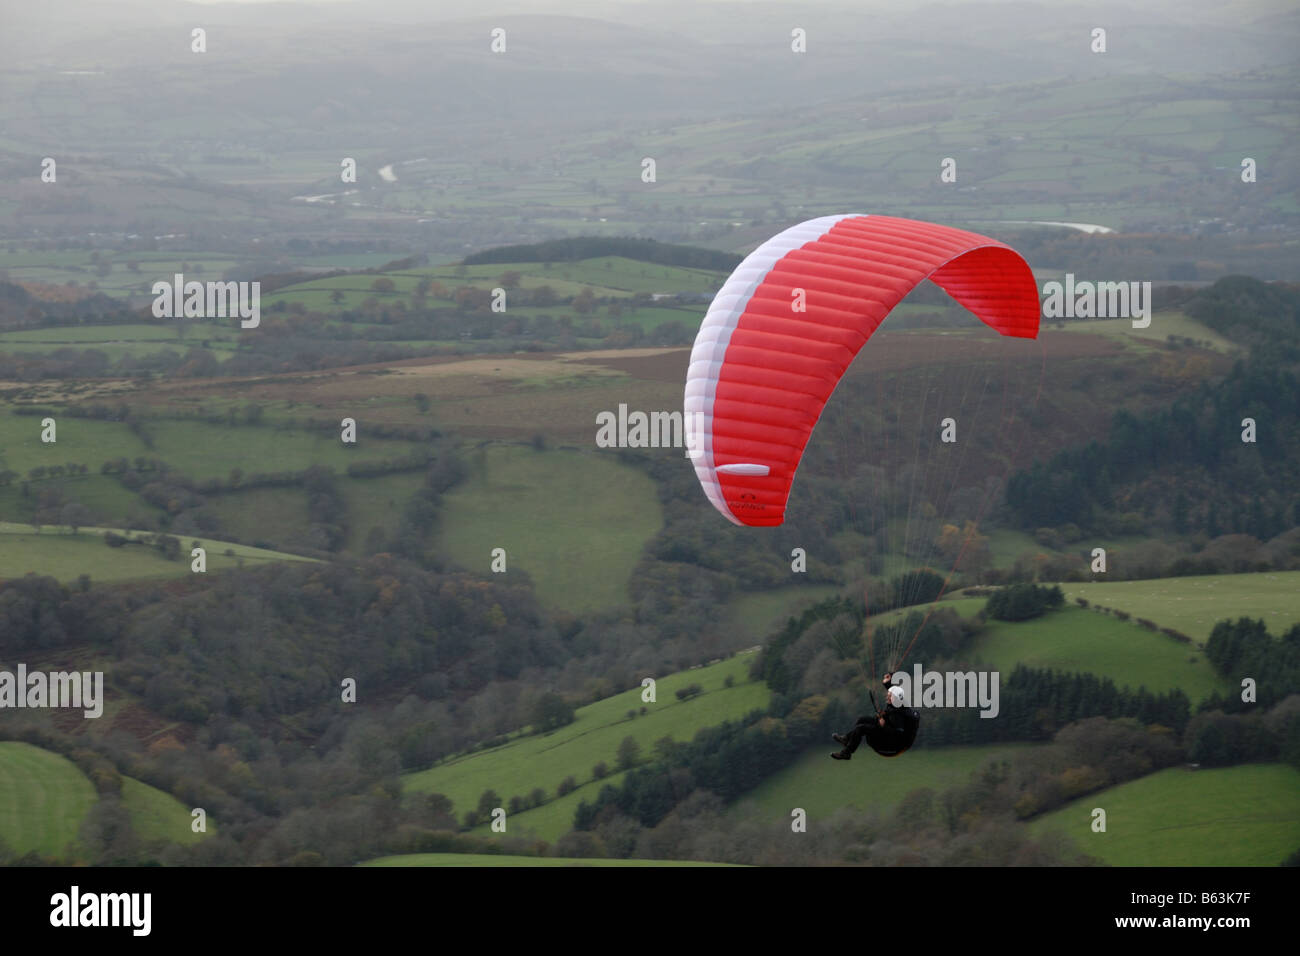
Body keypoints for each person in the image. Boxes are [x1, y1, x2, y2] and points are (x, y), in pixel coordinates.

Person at [830, 684, 920, 759]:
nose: (887, 697)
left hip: (892, 744)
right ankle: (847, 739)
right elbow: (897, 694)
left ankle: (846, 753)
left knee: (861, 728)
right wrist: (883, 716)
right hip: (888, 733)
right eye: (888, 695)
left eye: (889, 696)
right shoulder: (896, 703)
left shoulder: (897, 715)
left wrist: (883, 724)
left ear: (894, 699)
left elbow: (897, 733)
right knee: (862, 720)